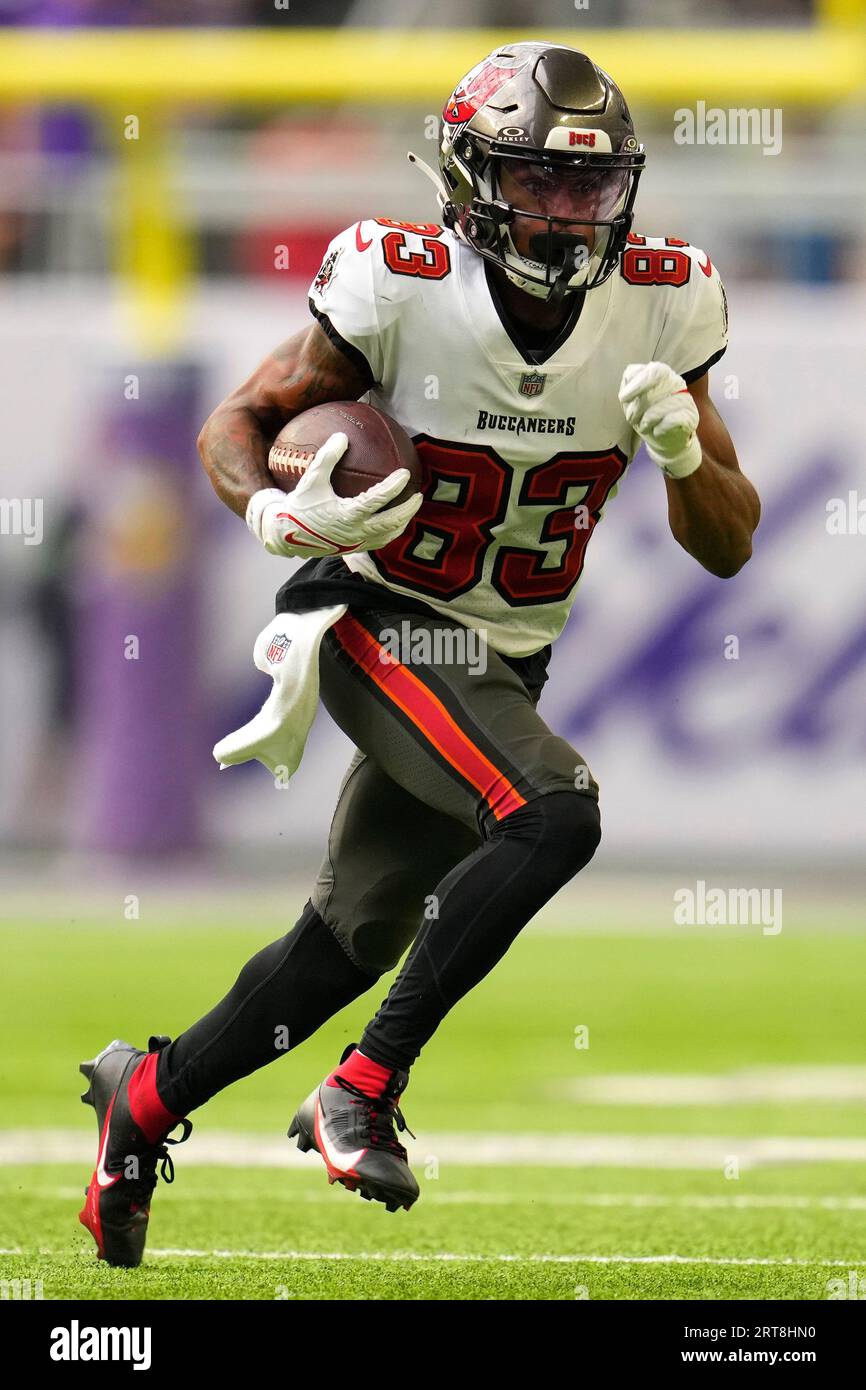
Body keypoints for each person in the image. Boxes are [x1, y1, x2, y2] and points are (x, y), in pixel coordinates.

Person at [78, 41, 759, 1266]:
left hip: (500, 657)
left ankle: (139, 1101)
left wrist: (680, 455)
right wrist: (267, 512)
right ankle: (363, 1088)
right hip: (377, 613)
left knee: (342, 942)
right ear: (463, 178)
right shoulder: (396, 282)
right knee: (554, 813)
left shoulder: (664, 298)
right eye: (536, 181)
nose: (566, 213)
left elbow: (725, 545)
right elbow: (239, 423)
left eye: (588, 187)